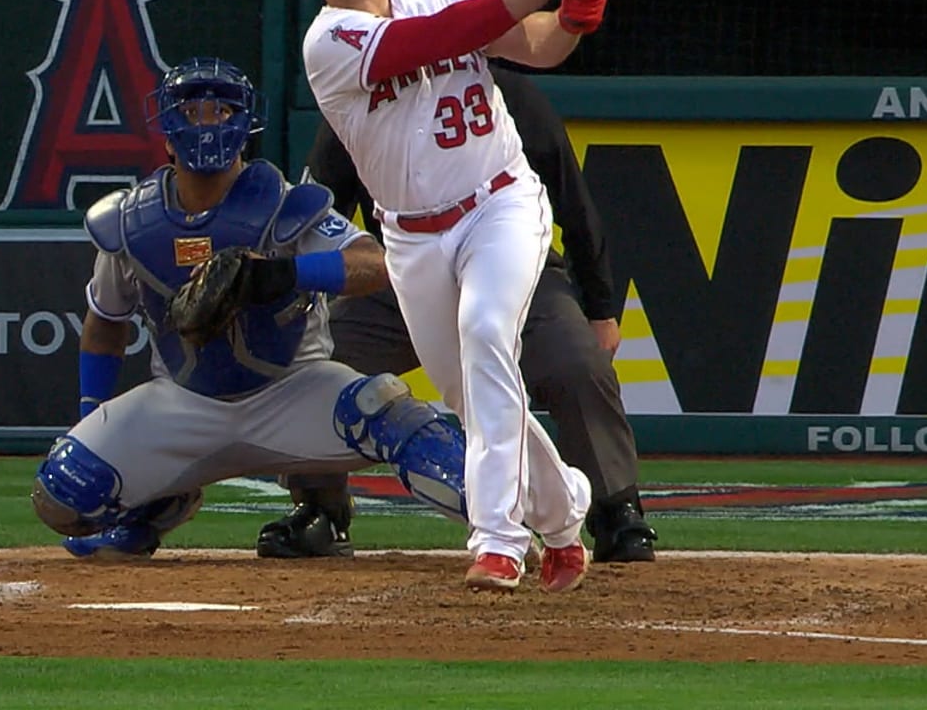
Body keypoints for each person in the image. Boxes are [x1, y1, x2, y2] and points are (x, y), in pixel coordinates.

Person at [30, 57, 586, 592]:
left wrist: (283, 273)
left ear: (244, 121)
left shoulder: (283, 204)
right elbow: (105, 325)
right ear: (167, 124)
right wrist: (88, 418)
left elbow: (373, 263)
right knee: (64, 491)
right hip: (184, 400)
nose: (207, 123)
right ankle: (159, 503)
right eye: (193, 110)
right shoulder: (130, 221)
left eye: (220, 110)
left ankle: (506, 525)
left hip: (295, 392)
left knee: (394, 420)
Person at [277, 0, 614, 591]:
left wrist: (575, 17)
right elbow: (437, 39)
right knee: (473, 395)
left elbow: (537, 47)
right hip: (411, 240)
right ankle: (563, 513)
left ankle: (497, 539)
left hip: (500, 205)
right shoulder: (328, 42)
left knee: (488, 331)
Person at [257, 64, 658, 565]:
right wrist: (288, 286)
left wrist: (600, 310)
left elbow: (571, 201)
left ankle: (614, 506)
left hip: (514, 267)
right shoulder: (357, 103)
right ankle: (319, 506)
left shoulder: (505, 90)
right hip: (402, 274)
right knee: (318, 363)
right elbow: (318, 211)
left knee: (576, 362)